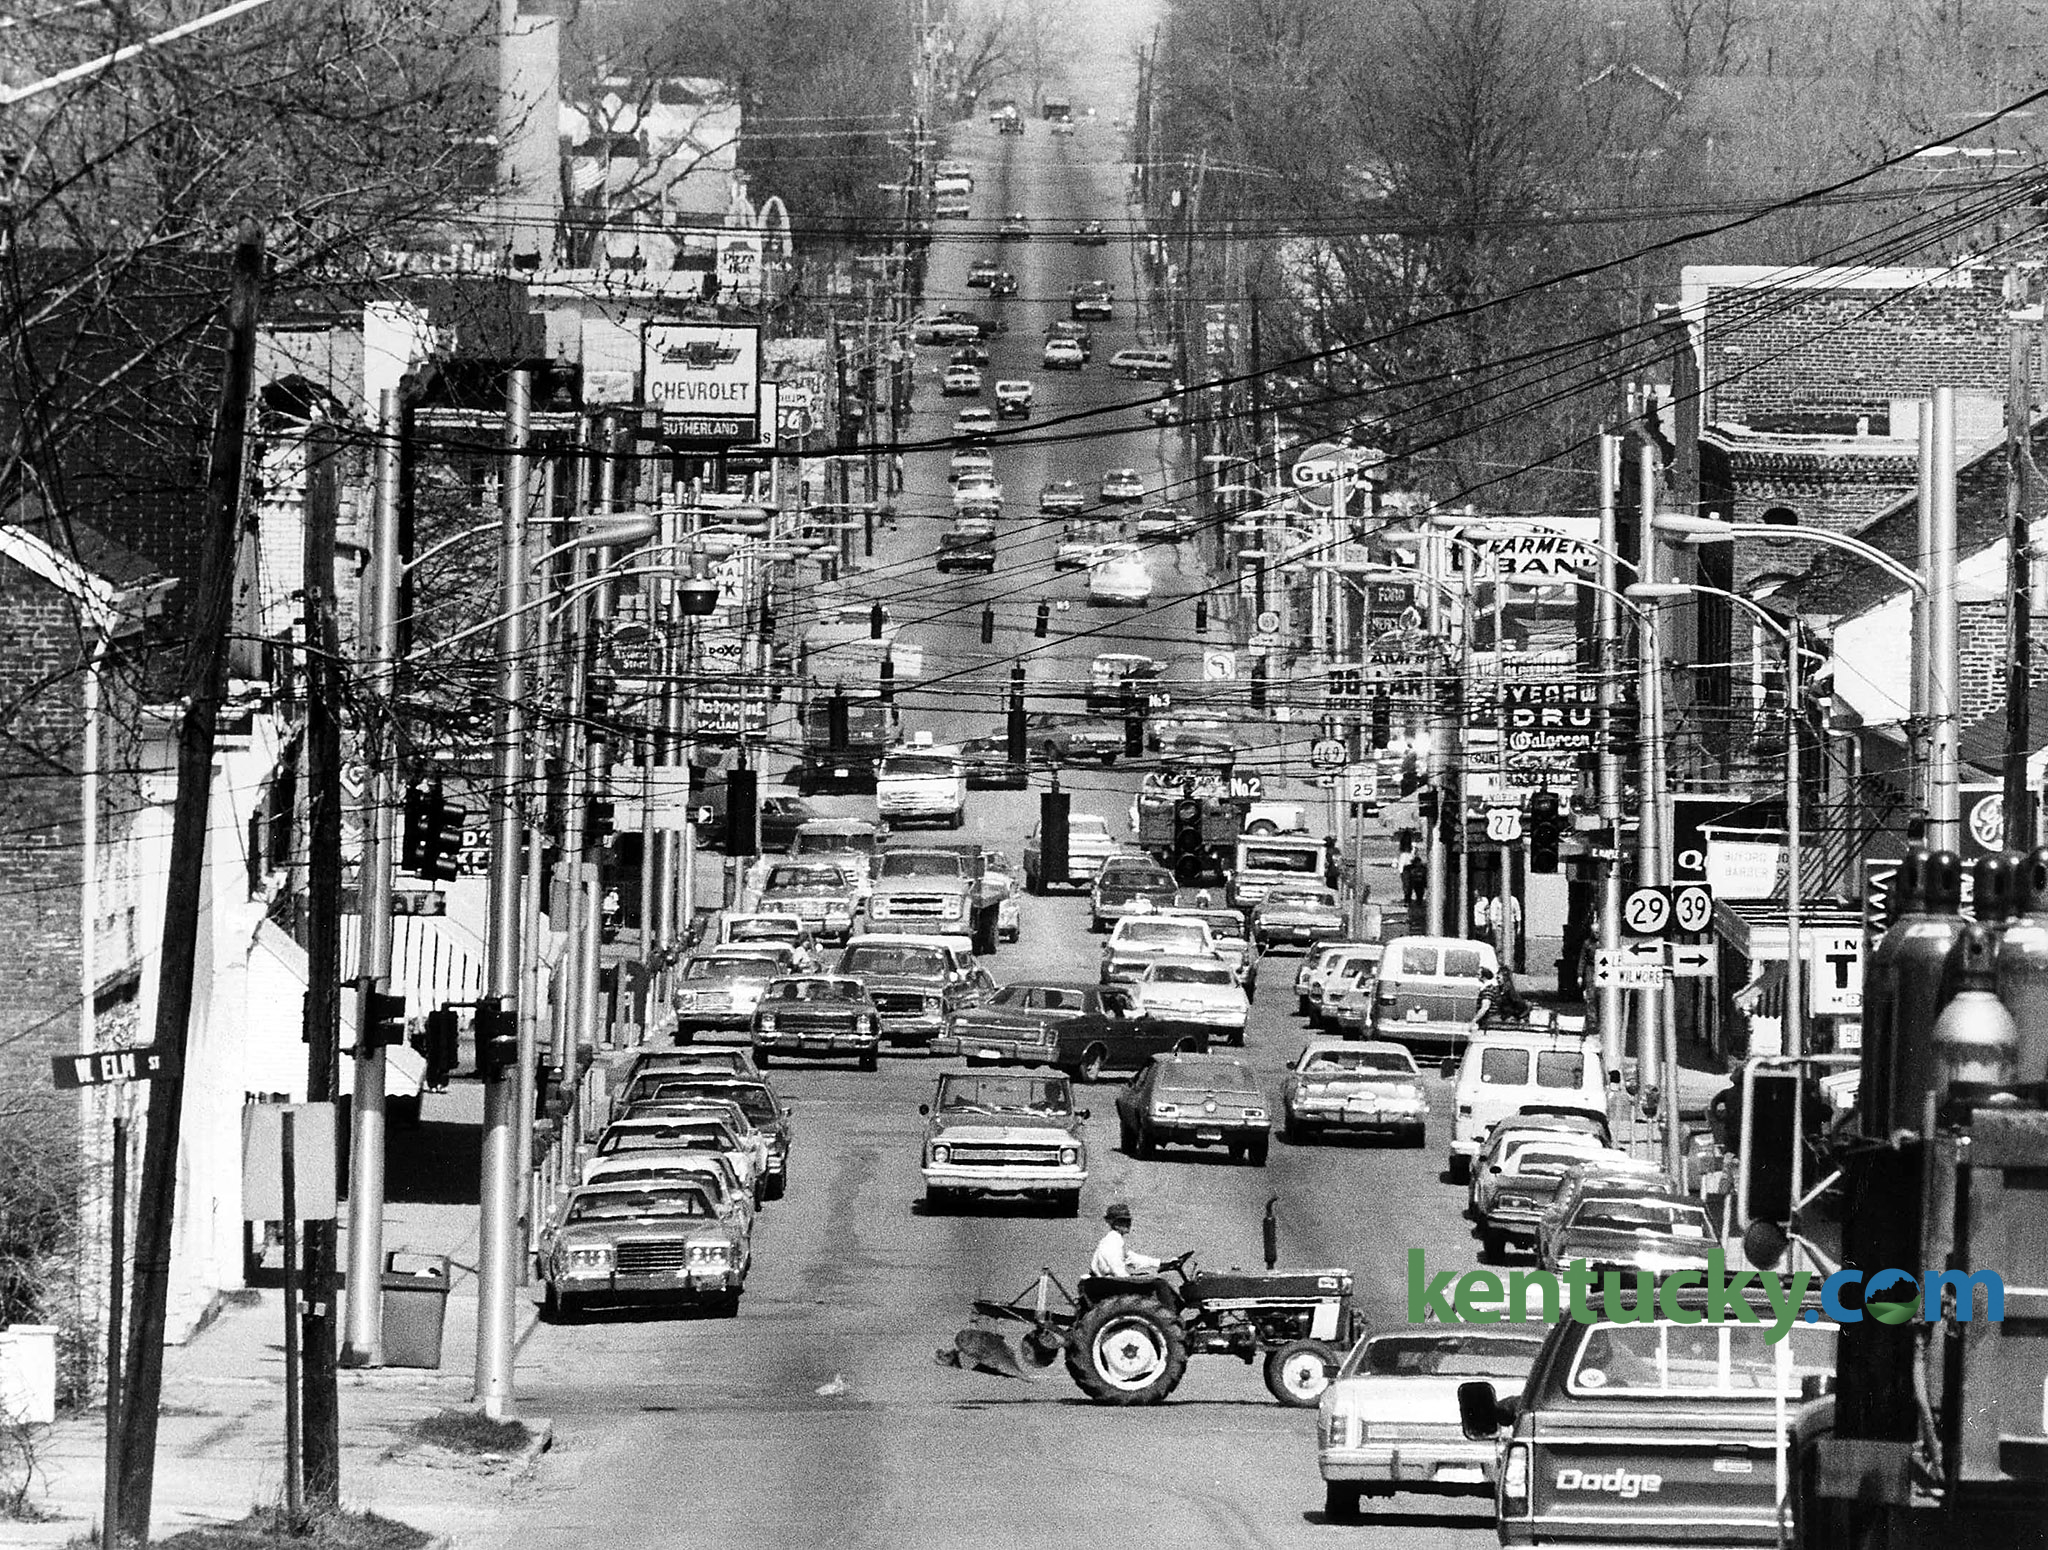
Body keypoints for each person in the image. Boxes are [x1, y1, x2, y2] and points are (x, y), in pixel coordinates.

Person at [1090, 1202, 1162, 1279]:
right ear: (1115, 1224)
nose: (1128, 1224)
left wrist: (1158, 1263)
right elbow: (1117, 1270)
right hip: (1104, 1282)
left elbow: (1130, 1258)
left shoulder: (1116, 1238)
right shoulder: (1112, 1242)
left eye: (1128, 1220)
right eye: (1123, 1221)